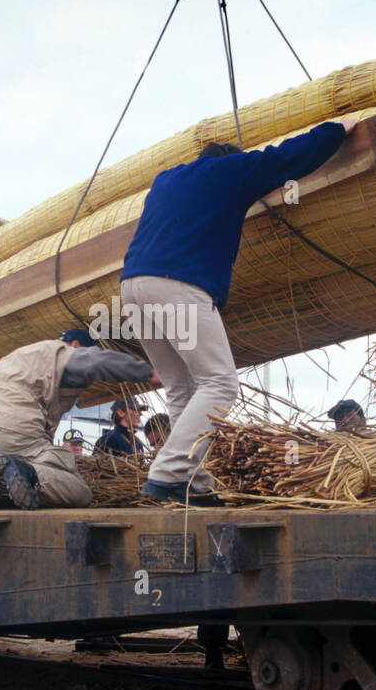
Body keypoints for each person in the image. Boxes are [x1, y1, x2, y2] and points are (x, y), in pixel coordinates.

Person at [121, 119, 357, 505]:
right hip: (177, 285)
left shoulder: (166, 180)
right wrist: (336, 129)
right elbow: (287, 158)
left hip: (133, 288)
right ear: (231, 161)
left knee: (183, 388)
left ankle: (192, 483)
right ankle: (166, 474)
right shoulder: (230, 172)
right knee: (220, 383)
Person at [0, 329, 156, 509]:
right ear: (76, 345)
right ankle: (28, 472)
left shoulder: (16, 357)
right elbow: (95, 361)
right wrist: (148, 373)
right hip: (11, 433)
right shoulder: (62, 353)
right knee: (78, 491)